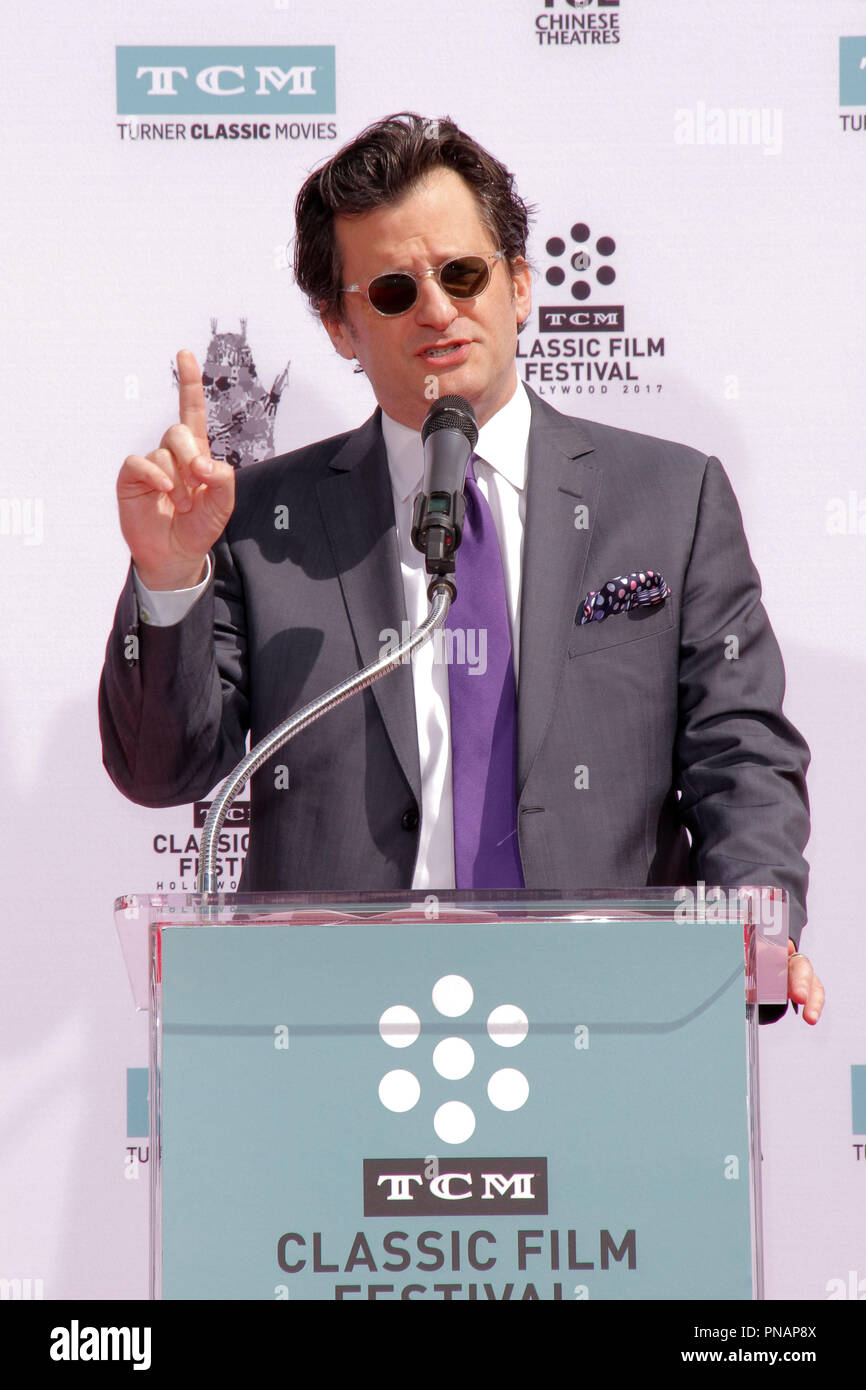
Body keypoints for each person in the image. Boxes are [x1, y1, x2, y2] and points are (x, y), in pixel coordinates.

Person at [99, 112, 824, 1023]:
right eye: (395, 289)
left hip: (614, 1013)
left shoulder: (670, 500)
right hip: (335, 1026)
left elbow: (741, 750)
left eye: (464, 274)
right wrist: (169, 579)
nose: (438, 310)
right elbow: (161, 773)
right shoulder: (258, 522)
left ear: (519, 287)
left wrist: (758, 924)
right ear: (338, 325)